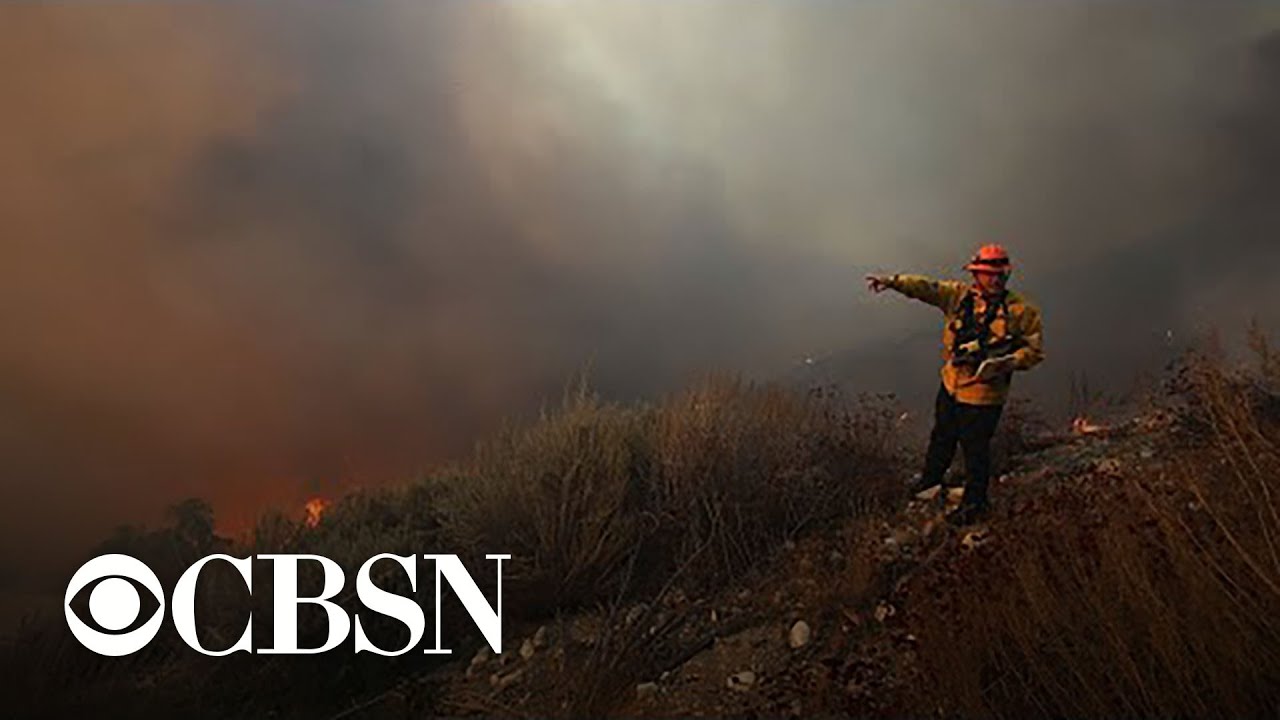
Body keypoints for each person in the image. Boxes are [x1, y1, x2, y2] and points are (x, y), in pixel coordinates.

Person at [866, 244, 1044, 525]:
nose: (995, 279)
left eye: (999, 274)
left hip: (985, 393)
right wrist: (893, 282)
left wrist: (1007, 362)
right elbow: (927, 288)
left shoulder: (1021, 311)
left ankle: (975, 503)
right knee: (942, 437)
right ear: (976, 274)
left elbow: (1034, 352)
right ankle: (929, 483)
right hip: (952, 384)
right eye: (988, 274)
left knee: (975, 448)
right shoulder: (959, 298)